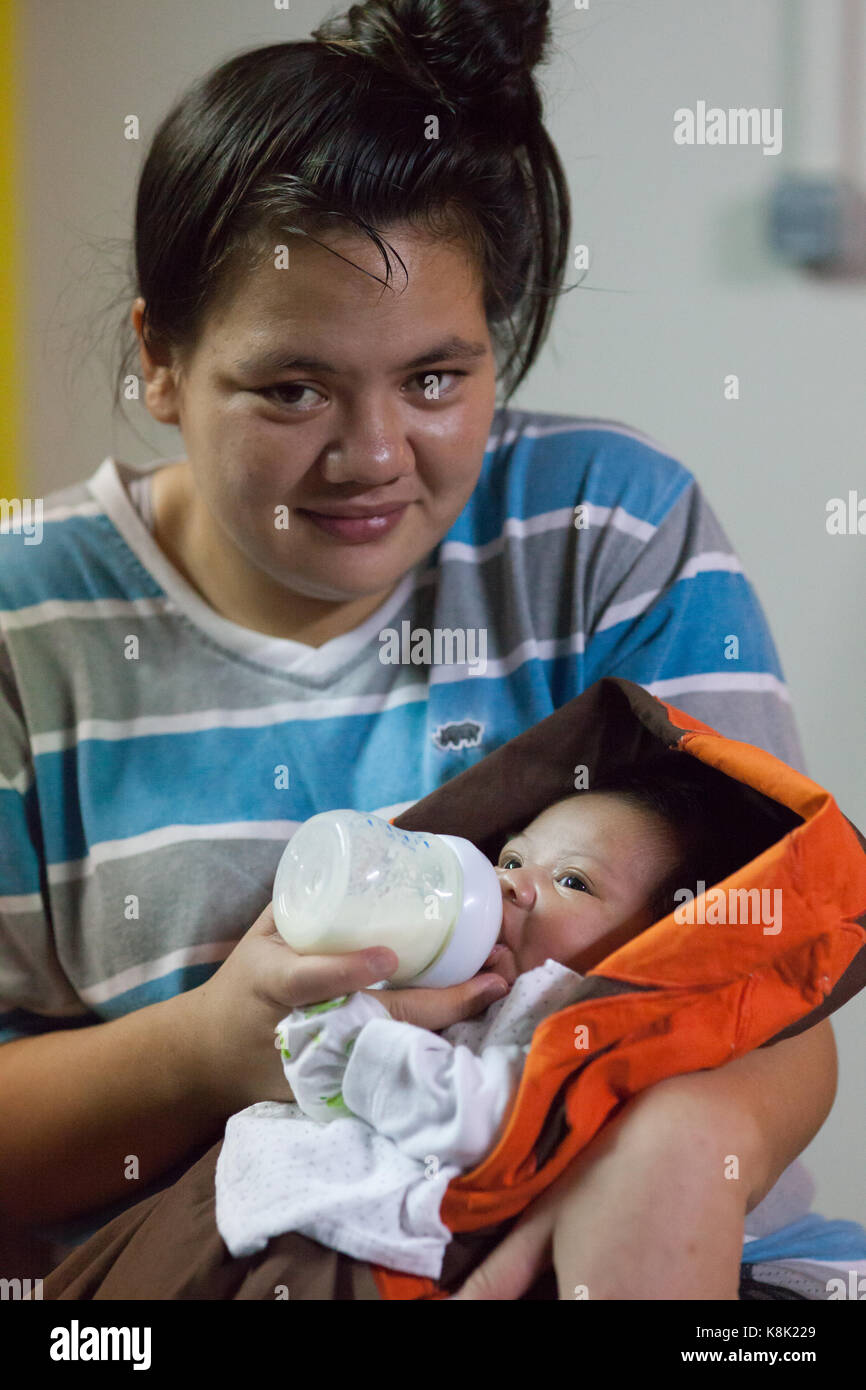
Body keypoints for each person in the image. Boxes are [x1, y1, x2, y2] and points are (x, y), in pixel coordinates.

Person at [0, 0, 838, 1300]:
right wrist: (221, 1048)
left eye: (436, 379)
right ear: (159, 359)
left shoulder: (604, 529)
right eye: (292, 388)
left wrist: (674, 1149)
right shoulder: (27, 626)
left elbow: (771, 963)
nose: (376, 455)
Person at [216, 762, 776, 1279]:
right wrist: (330, 1028)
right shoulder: (435, 976)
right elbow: (318, 1088)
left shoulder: (576, 1016)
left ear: (647, 952)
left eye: (573, 881)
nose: (509, 882)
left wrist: (362, 1044)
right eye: (511, 860)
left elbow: (489, 1122)